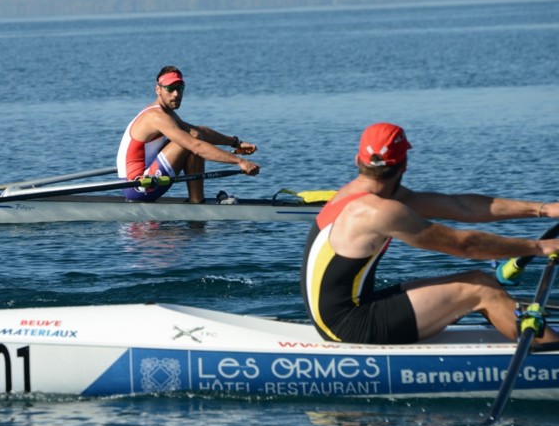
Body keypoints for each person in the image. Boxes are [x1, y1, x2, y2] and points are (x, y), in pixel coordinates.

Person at [301, 121, 559, 345]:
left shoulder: (357, 195)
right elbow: (464, 246)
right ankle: (549, 353)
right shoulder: (379, 211)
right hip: (348, 324)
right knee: (482, 290)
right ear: (404, 165)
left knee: (481, 279)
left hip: (346, 310)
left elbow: (461, 207)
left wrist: (545, 209)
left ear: (358, 161)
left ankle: (529, 331)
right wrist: (540, 247)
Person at [116, 66, 260, 203]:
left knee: (193, 136)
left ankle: (196, 201)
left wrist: (235, 143)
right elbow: (196, 145)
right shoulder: (156, 116)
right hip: (138, 187)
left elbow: (198, 131)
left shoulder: (166, 113)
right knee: (193, 142)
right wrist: (240, 162)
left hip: (145, 178)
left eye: (180, 88)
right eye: (170, 89)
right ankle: (197, 203)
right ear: (158, 89)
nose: (176, 94)